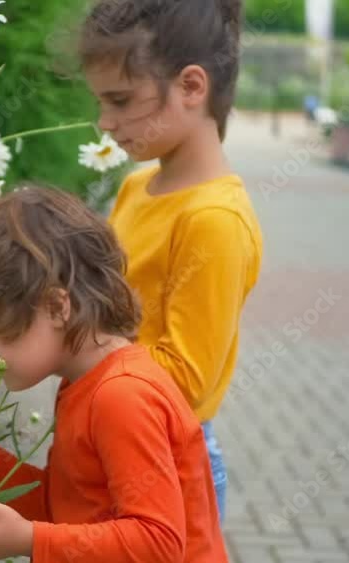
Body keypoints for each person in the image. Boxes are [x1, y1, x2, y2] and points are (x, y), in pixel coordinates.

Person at [0, 187, 228, 562]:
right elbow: (71, 510)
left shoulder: (123, 397)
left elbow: (157, 544)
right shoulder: (84, 384)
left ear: (57, 307)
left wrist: (30, 540)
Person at [78, 0, 264, 520]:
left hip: (170, 464)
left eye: (119, 100)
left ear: (190, 87)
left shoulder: (214, 220)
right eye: (100, 102)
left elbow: (186, 379)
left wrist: (75, 352)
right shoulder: (138, 187)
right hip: (113, 443)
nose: (104, 122)